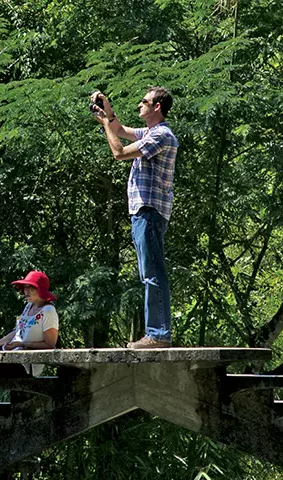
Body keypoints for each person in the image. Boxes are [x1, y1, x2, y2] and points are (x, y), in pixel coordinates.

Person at [90, 87, 178, 349]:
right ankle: (156, 332)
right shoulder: (150, 133)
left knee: (153, 273)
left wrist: (106, 123)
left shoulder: (162, 135)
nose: (140, 105)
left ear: (157, 107)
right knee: (148, 273)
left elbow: (119, 151)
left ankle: (159, 334)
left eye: (145, 101)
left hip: (150, 210)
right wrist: (107, 111)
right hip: (143, 211)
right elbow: (121, 130)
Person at [0, 270, 60, 403]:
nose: (26, 291)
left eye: (30, 288)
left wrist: (21, 345)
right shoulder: (28, 306)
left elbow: (50, 344)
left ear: (40, 289)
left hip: (25, 364)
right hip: (10, 354)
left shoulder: (48, 311)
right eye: (25, 288)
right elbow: (17, 331)